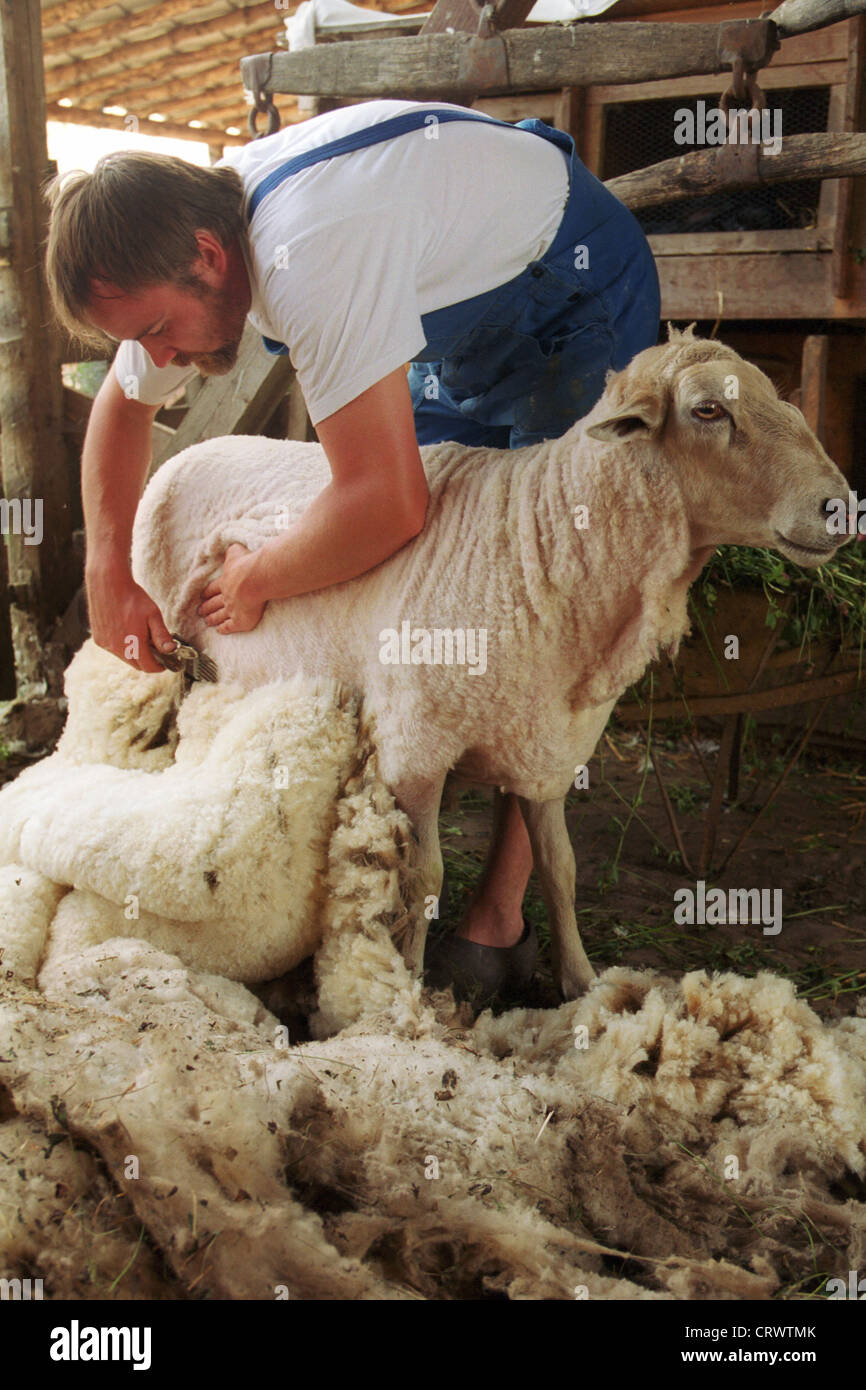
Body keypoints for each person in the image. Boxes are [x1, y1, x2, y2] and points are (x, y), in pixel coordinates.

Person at [44, 97, 660, 985]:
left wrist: (261, 577)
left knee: (543, 589)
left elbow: (384, 504)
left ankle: (500, 918)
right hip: (453, 303)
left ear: (209, 259)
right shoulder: (183, 239)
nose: (161, 357)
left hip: (565, 289)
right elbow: (120, 405)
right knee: (426, 580)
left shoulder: (314, 252)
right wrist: (109, 565)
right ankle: (384, 877)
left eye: (154, 332)